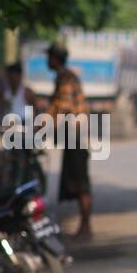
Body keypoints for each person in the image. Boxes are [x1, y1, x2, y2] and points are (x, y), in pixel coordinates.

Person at [45, 43, 93, 239]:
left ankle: (86, 226)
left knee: (81, 182)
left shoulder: (65, 78)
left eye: (49, 57)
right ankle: (84, 225)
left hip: (75, 136)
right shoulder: (65, 76)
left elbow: (62, 108)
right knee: (76, 181)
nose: (47, 61)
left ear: (55, 59)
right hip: (73, 136)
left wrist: (43, 126)